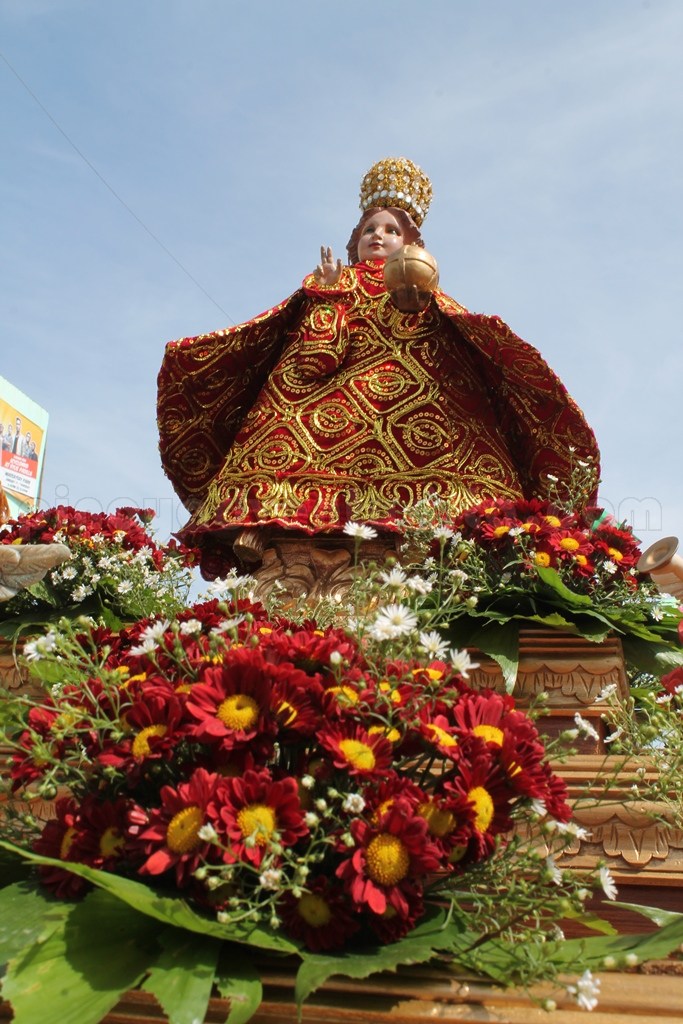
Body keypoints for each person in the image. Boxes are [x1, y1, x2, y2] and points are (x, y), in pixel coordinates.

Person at [158, 158, 599, 578]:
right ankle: (264, 519)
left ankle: (434, 530)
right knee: (279, 419)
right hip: (334, 407)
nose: (378, 235)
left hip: (416, 407)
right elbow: (315, 358)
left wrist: (418, 297)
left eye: (390, 229)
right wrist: (328, 297)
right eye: (369, 229)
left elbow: (443, 340)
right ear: (355, 239)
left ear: (410, 244)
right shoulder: (337, 283)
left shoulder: (423, 286)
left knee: (460, 440)